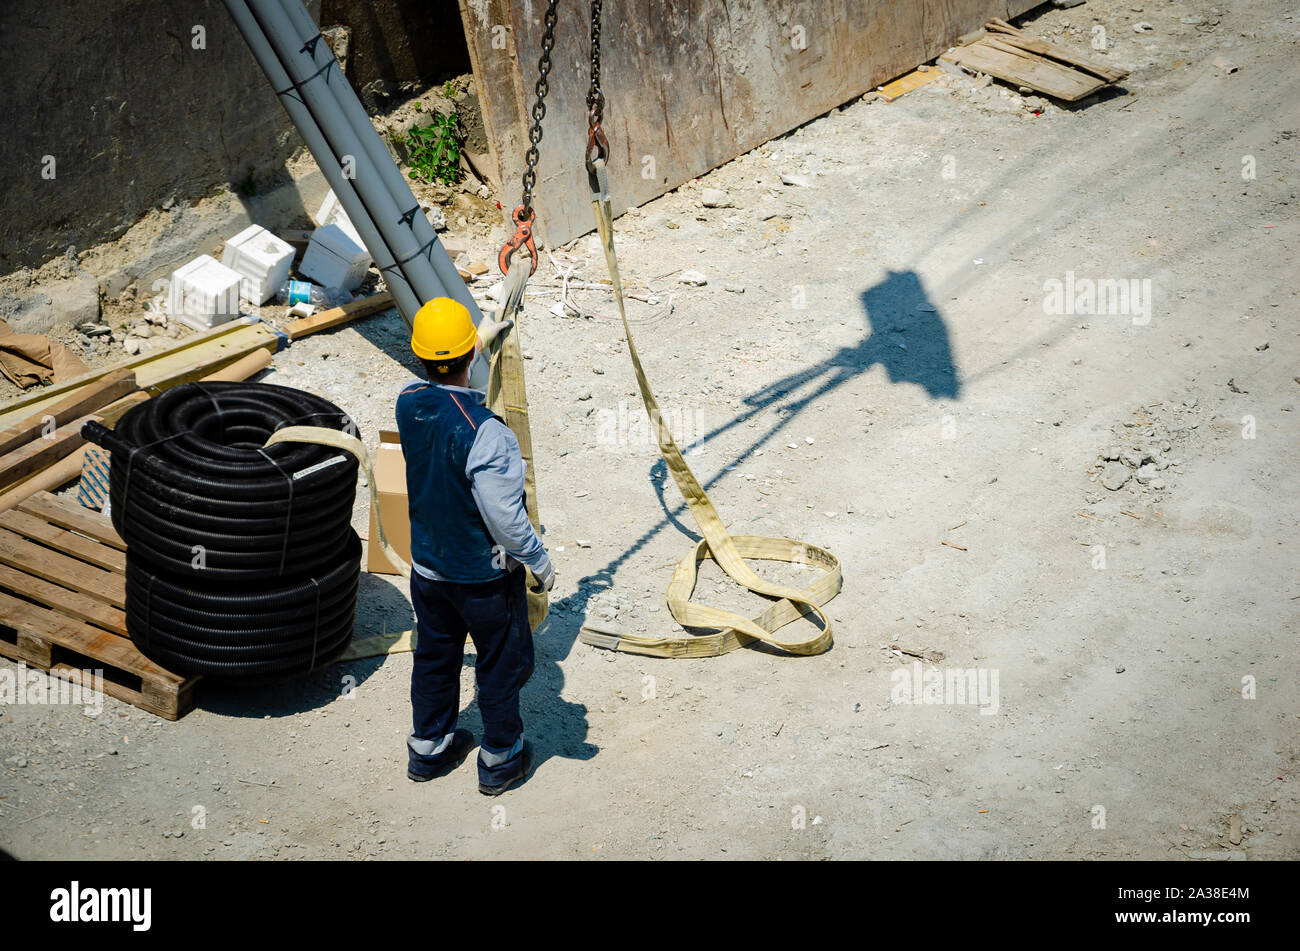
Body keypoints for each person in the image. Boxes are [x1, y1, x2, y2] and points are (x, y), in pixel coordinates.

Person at [396, 297, 555, 795]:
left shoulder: (408, 403)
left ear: (418, 355)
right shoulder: (488, 433)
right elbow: (505, 519)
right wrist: (538, 561)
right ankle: (501, 758)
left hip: (429, 573)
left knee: (436, 657)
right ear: (470, 357)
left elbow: (441, 381)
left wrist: (476, 337)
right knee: (501, 664)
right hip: (484, 582)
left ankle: (429, 750)